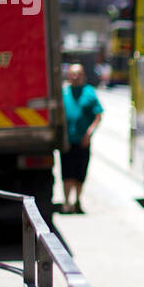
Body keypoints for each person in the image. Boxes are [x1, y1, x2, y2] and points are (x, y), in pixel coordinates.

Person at [59, 63, 104, 214]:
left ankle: (77, 201)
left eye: (78, 74)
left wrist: (89, 133)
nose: (75, 76)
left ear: (83, 76)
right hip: (67, 141)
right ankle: (66, 202)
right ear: (68, 76)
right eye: (72, 74)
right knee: (67, 173)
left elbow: (98, 115)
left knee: (80, 173)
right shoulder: (64, 93)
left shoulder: (89, 92)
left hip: (83, 142)